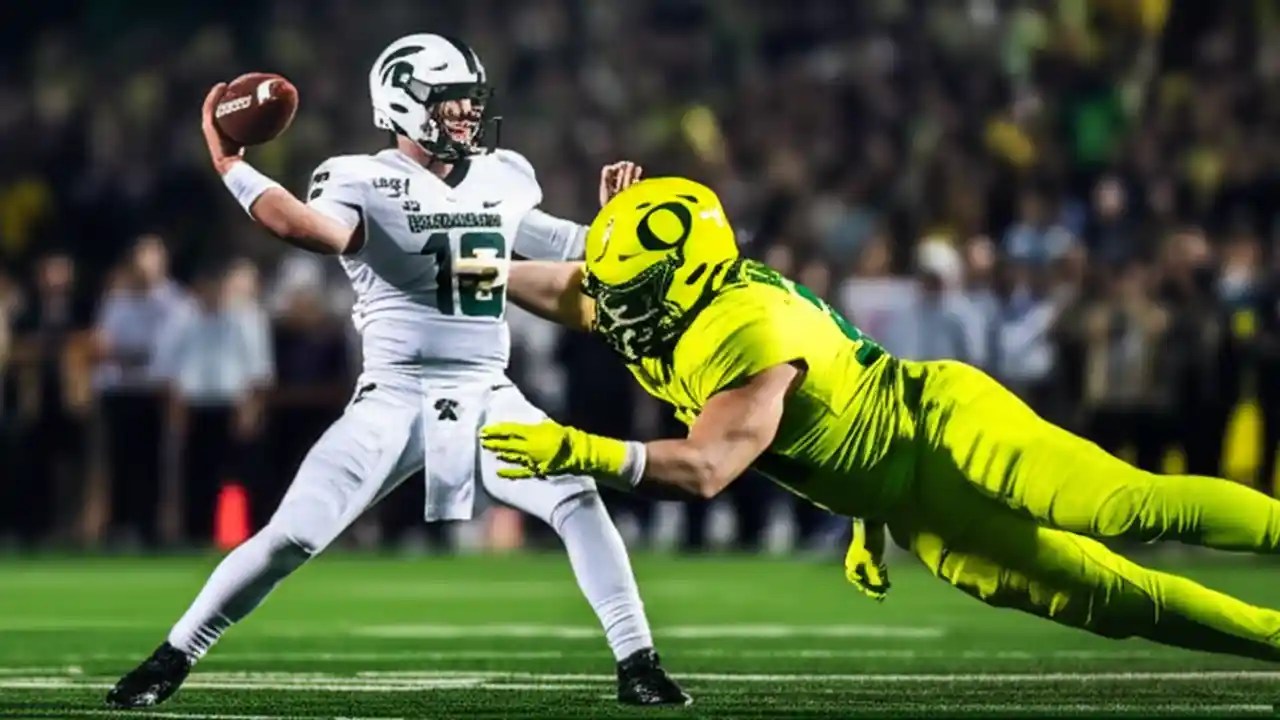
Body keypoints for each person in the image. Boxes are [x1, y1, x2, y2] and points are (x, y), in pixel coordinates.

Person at [106, 34, 687, 709]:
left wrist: (618, 223)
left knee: (577, 500)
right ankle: (172, 655)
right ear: (402, 103)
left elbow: (563, 243)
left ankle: (638, 662)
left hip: (488, 391)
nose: (468, 113)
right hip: (395, 395)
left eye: (471, 99)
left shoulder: (504, 174)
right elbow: (308, 229)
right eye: (451, 100)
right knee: (293, 536)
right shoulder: (359, 177)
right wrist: (230, 163)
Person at [479, 176, 1280, 662]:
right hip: (911, 506)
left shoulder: (743, 331)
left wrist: (578, 449)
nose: (609, 306)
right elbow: (572, 290)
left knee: (1120, 506)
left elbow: (708, 468)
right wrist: (457, 264)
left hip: (942, 427)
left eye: (630, 292)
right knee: (1111, 603)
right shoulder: (677, 301)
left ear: (680, 283)